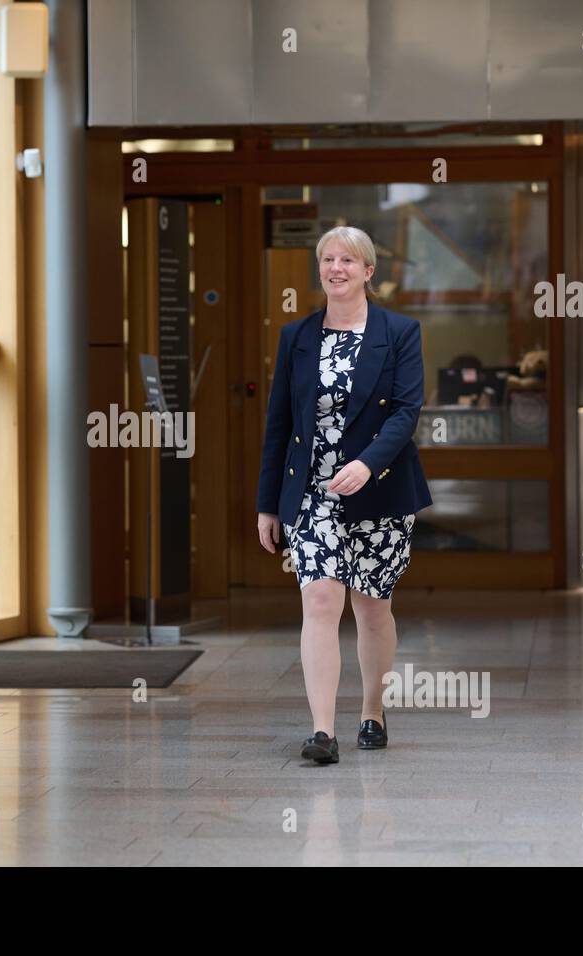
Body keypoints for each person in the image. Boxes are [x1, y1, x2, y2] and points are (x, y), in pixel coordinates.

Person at [256, 225, 432, 763]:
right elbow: (279, 423)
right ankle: (322, 731)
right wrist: (268, 503)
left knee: (372, 608)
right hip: (312, 493)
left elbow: (406, 412)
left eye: (348, 261)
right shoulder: (298, 336)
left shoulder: (400, 331)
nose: (336, 268)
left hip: (377, 490)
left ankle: (373, 711)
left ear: (368, 271)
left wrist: (366, 464)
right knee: (320, 600)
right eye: (327, 259)